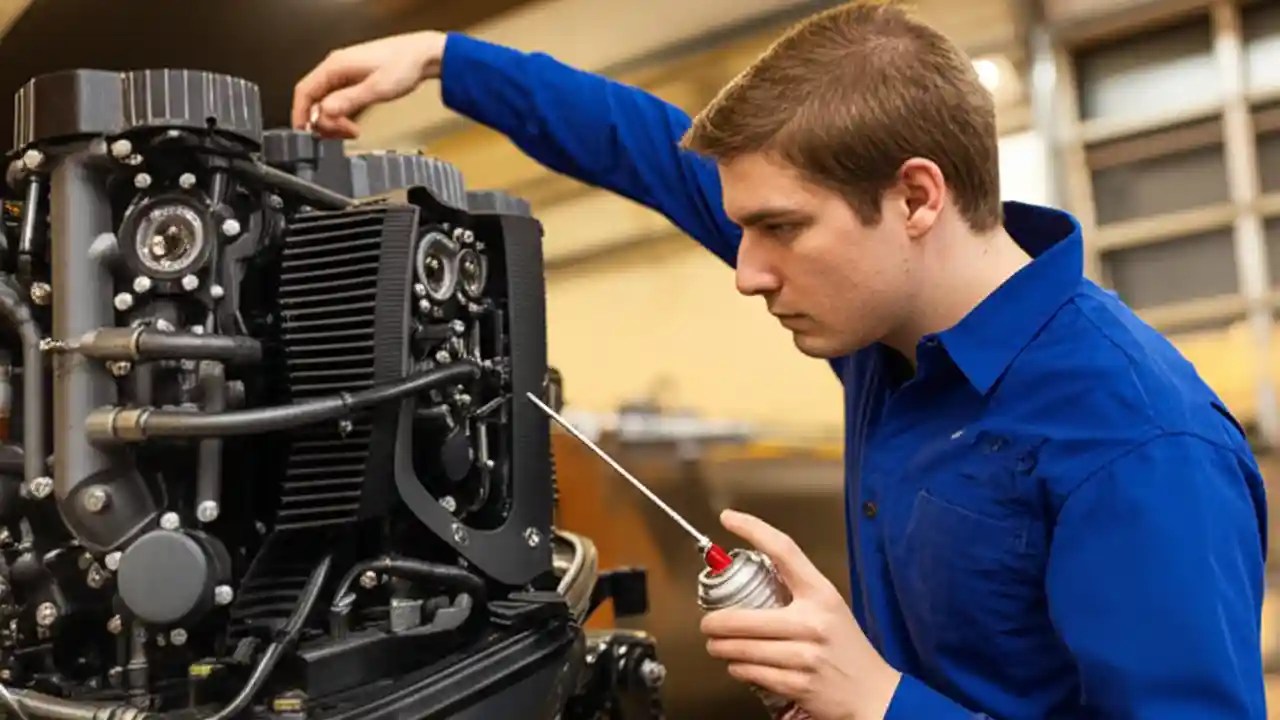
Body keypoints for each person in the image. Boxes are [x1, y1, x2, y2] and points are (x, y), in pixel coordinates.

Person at [291, 2, 1269, 718]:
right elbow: (644, 145)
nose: (745, 272)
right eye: (738, 228)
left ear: (916, 197)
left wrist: (877, 702)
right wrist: (444, 58)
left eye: (778, 229)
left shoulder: (1136, 446)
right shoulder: (889, 331)